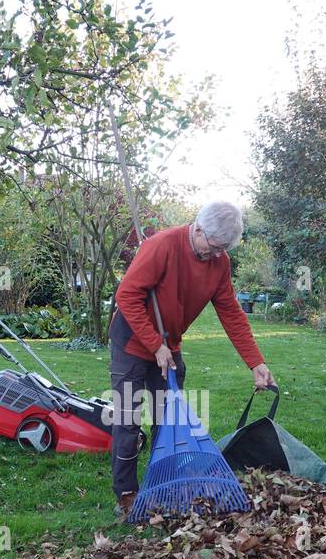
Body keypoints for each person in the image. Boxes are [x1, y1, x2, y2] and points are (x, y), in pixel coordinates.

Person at [108, 200, 276, 517]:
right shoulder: (161, 246)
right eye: (213, 247)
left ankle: (163, 481)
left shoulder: (219, 262)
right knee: (128, 421)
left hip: (168, 346)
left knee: (168, 419)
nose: (216, 255)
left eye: (222, 250)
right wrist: (154, 345)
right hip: (131, 343)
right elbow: (127, 296)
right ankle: (127, 493)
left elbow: (231, 313)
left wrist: (256, 363)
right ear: (198, 228)